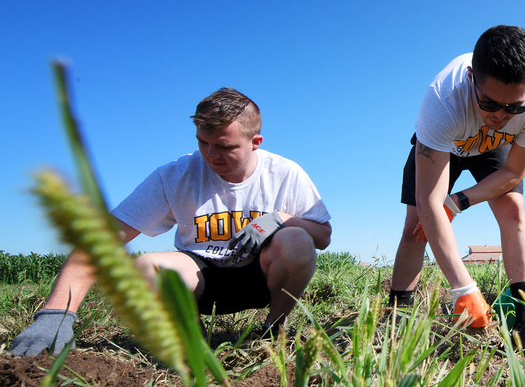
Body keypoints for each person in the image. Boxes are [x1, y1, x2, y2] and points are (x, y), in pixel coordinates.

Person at [10, 88, 332, 357]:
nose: (210, 155)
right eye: (202, 142)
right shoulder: (176, 176)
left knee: (297, 240)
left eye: (224, 146)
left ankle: (273, 330)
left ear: (256, 142)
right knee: (146, 267)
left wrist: (281, 219)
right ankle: (193, 337)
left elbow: (322, 236)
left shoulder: (285, 174)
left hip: (261, 277)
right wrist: (56, 314)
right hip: (201, 280)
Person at [388, 25, 525, 356]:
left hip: (494, 149)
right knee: (415, 227)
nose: (500, 115)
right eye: (490, 103)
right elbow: (428, 200)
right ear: (470, 79)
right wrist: (463, 287)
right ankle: (398, 317)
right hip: (444, 146)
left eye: (513, 108)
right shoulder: (443, 100)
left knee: (513, 209)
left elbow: (513, 172)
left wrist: (458, 201)